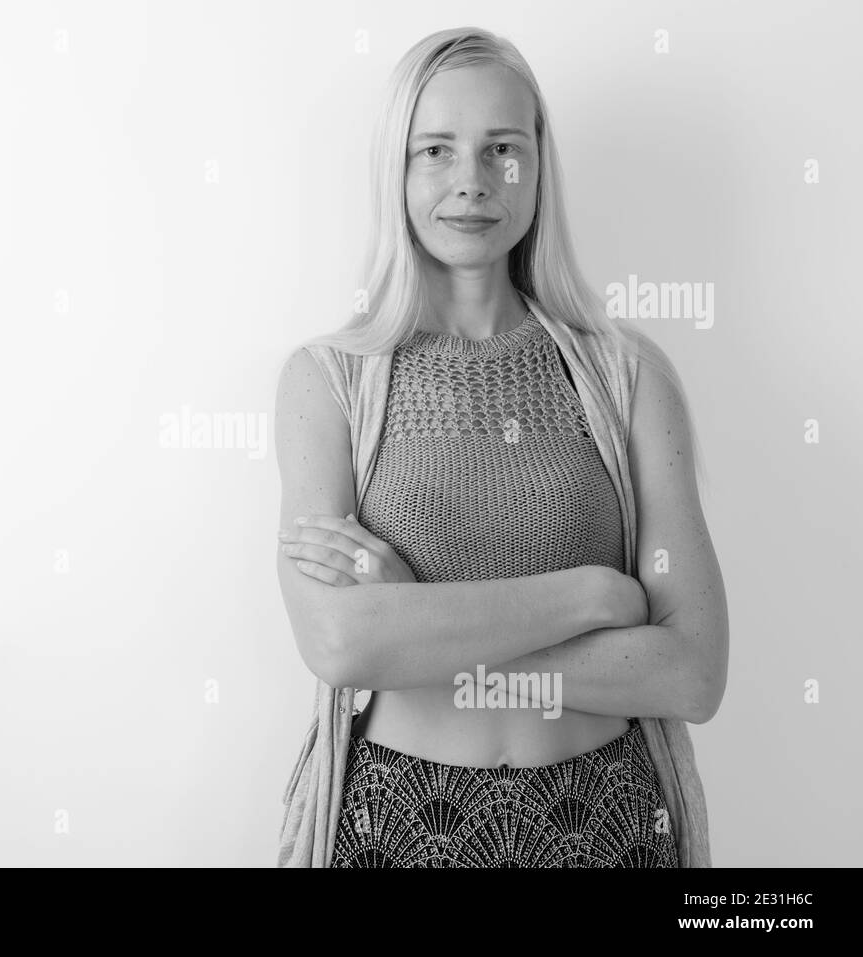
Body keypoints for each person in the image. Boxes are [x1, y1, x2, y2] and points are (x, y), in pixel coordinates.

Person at [273, 27, 728, 867]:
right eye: (436, 150)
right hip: (399, 822)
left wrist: (419, 618)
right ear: (397, 170)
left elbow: (691, 672)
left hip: (609, 820)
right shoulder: (330, 380)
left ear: (538, 166)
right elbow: (344, 645)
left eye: (502, 149)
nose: (472, 182)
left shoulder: (627, 376)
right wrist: (594, 593)